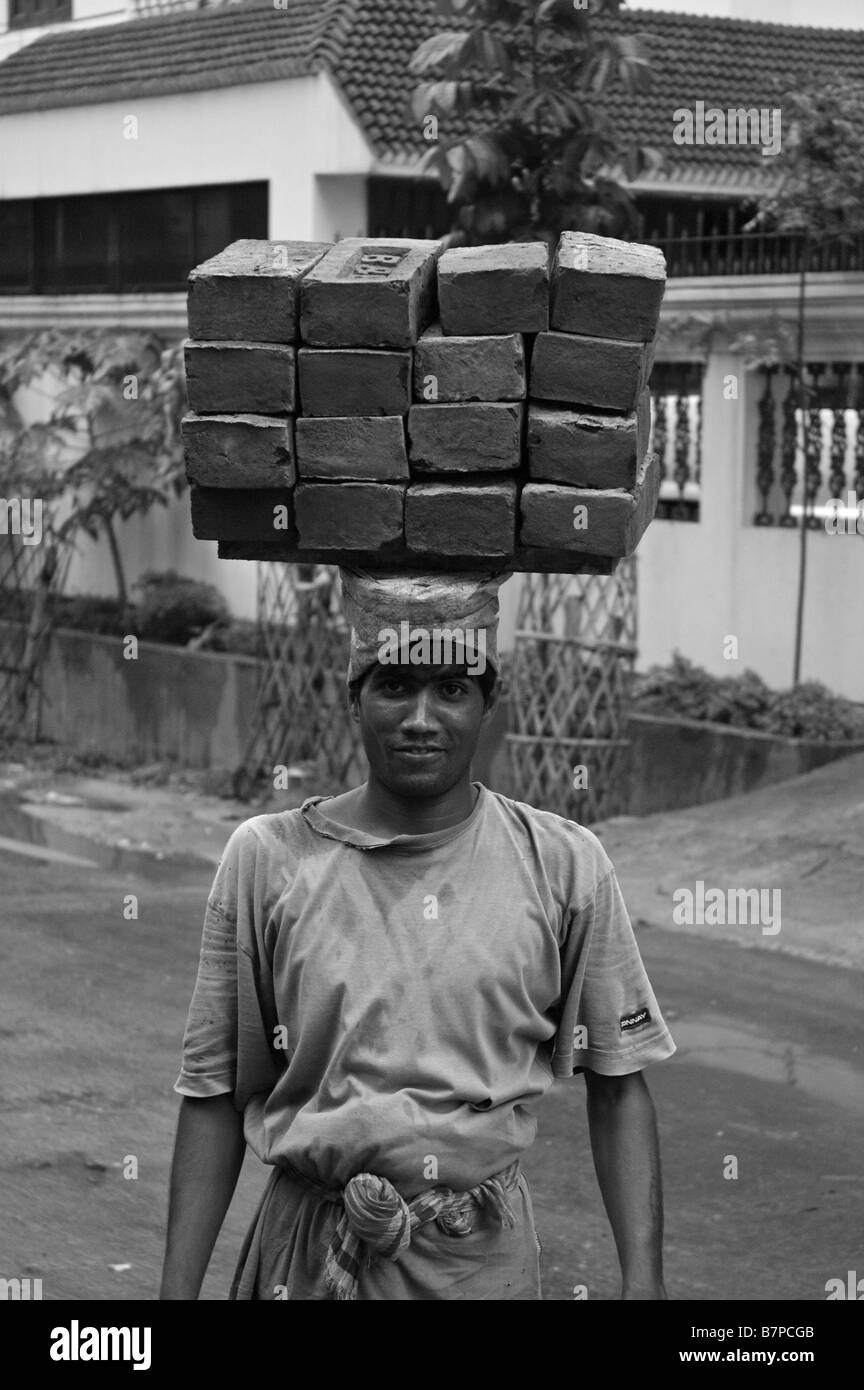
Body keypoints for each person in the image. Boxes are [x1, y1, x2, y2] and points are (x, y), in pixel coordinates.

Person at [160, 571, 676, 1301]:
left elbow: (620, 1092)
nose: (421, 718)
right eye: (395, 685)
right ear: (354, 697)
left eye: (452, 689)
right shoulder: (269, 859)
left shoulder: (563, 865)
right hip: (307, 1262)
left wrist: (644, 1284)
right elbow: (214, 1093)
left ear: (489, 702)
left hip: (478, 1267)